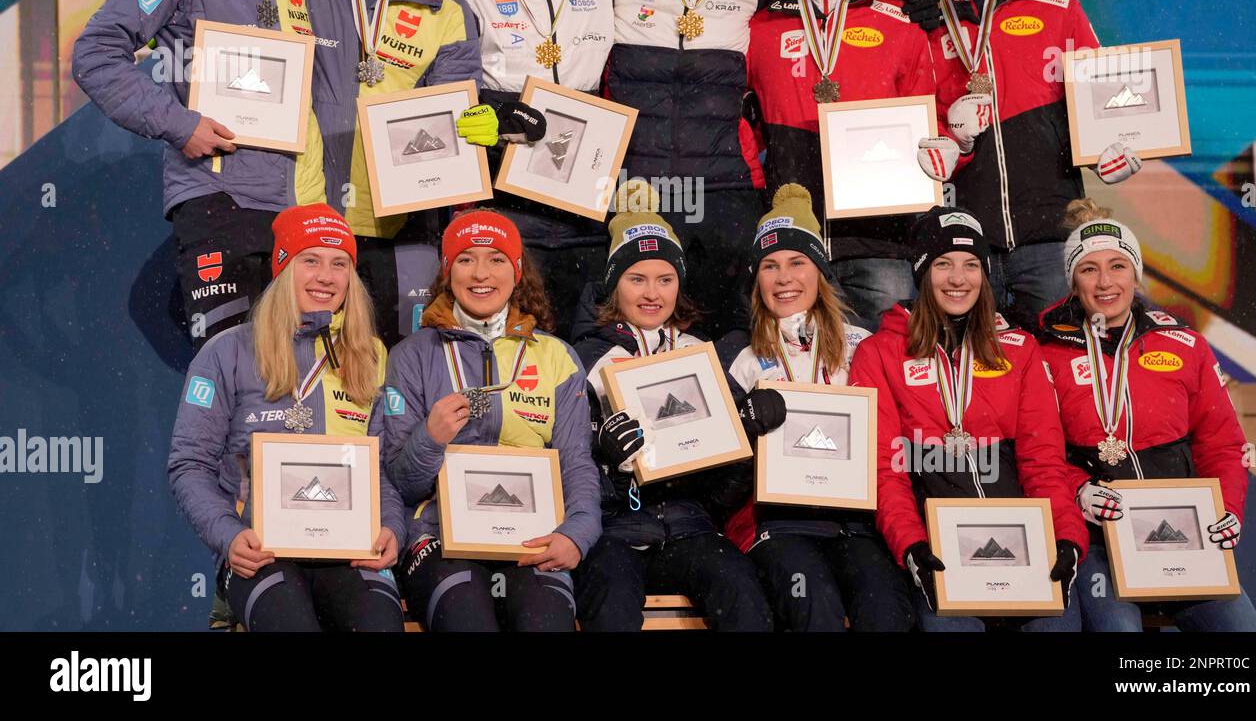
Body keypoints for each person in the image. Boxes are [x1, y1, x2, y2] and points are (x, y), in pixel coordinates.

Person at [74, 0, 324, 347]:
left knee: (286, 391)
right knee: (230, 377)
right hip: (215, 197)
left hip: (293, 211)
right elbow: (96, 53)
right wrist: (178, 124)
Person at [904, 0, 1142, 328]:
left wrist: (1115, 145)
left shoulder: (1058, 11)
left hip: (1052, 238)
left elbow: (1103, 110)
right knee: (975, 382)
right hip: (963, 248)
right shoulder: (917, 28)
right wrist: (957, 141)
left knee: (1064, 367)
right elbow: (912, 143)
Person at [586, 0, 780, 341]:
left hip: (724, 194)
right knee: (635, 342)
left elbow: (826, 8)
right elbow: (548, 1)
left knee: (732, 341)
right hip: (638, 190)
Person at [167, 204, 405, 631]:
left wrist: (390, 527)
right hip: (261, 551)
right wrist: (229, 536)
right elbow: (190, 465)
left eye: (339, 264)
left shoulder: (369, 356)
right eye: (309, 260)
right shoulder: (227, 352)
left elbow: (381, 470)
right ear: (282, 267)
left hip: (350, 550)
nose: (326, 277)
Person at [850, 205, 1086, 631]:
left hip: (1024, 548)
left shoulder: (1019, 349)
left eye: (971, 264)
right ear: (922, 271)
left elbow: (1043, 462)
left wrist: (1067, 536)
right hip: (940, 552)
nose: (958, 279)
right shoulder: (879, 354)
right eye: (943, 264)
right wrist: (911, 544)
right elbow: (885, 471)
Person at [1034, 199, 1256, 631]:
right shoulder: (1042, 352)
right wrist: (1079, 490)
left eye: (1118, 266)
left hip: (1186, 535)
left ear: (1136, 274)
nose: (1105, 282)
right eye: (1089, 269)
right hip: (1100, 540)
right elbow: (1035, 453)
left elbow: (1223, 443)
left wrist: (1228, 509)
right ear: (1072, 281)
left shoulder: (1184, 344)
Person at [295, 0, 480, 348]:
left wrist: (477, 122)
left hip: (402, 221)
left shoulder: (448, 8)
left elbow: (452, 110)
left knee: (401, 371)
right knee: (310, 369)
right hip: (314, 211)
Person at [381, 208, 600, 631]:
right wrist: (429, 438)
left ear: (517, 272)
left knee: (545, 622)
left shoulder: (555, 356)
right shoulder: (412, 355)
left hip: (534, 534)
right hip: (440, 536)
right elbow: (400, 481)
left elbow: (577, 463)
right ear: (448, 272)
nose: (481, 273)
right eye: (466, 259)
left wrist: (577, 533)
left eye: (496, 259)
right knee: (466, 618)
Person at [568, 180, 772, 630]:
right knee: (610, 601)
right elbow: (565, 466)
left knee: (741, 589)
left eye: (665, 279)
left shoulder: (700, 355)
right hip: (613, 529)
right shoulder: (580, 360)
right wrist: (602, 455)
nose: (651, 293)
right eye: (636, 278)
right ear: (613, 284)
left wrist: (746, 433)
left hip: (689, 526)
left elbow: (721, 490)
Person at [745, 0, 938, 329]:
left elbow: (931, 126)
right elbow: (742, 123)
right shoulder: (761, 24)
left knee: (882, 368)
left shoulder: (901, 20)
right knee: (796, 376)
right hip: (791, 243)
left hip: (880, 241)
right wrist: (758, 198)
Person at [452, 0, 615, 326]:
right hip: (508, 206)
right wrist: (498, 117)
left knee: (581, 355)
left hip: (588, 211)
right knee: (516, 354)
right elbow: (452, 89)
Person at [725, 184, 914, 631]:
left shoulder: (862, 345)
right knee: (813, 605)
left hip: (854, 521)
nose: (784, 277)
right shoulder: (737, 355)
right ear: (757, 281)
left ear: (820, 272)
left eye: (797, 263)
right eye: (770, 266)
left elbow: (895, 436)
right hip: (776, 522)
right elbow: (718, 478)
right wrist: (744, 424)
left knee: (887, 608)